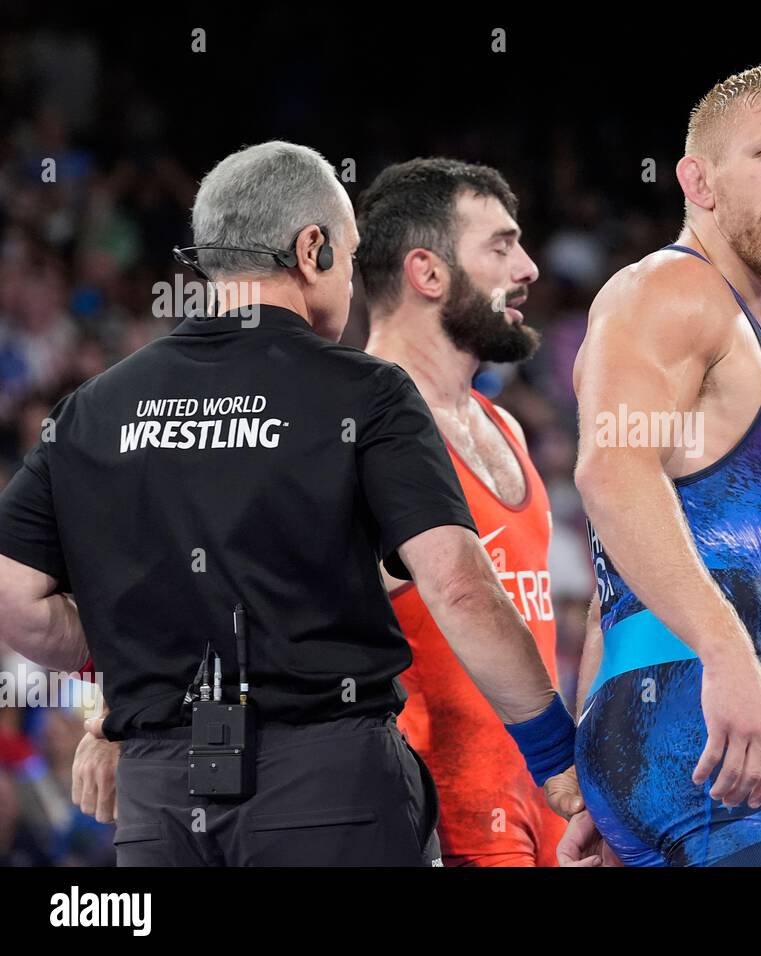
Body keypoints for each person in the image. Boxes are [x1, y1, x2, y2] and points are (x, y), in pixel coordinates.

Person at [0, 140, 580, 866]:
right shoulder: (365, 392)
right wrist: (559, 754)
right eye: (349, 251)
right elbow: (460, 586)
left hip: (161, 801)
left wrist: (131, 669)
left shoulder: (94, 407)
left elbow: (14, 596)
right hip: (327, 787)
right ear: (313, 250)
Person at [563, 64, 761, 866]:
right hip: (698, 713)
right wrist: (727, 658)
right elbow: (610, 476)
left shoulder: (744, 343)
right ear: (698, 180)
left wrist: (601, 770)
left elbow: (619, 550)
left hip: (663, 729)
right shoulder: (671, 289)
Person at [358, 157, 567, 865]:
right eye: (501, 246)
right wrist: (116, 720)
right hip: (437, 826)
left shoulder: (504, 426)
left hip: (549, 807)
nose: (530, 266)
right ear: (428, 272)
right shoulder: (348, 428)